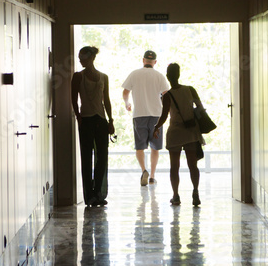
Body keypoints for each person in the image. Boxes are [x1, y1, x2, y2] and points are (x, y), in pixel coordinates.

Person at [152, 63, 205, 206]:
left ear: (168, 76)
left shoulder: (167, 96)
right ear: (179, 74)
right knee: (193, 165)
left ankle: (176, 196)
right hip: (190, 131)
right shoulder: (190, 90)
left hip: (175, 133)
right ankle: (195, 192)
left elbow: (164, 116)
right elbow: (200, 108)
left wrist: (156, 127)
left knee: (174, 167)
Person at [71, 46, 114, 206]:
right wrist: (78, 116)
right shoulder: (78, 76)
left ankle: (99, 193)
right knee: (86, 157)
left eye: (83, 58)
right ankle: (89, 195)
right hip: (86, 120)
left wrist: (111, 120)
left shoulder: (104, 77)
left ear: (91, 59)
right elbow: (74, 98)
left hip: (101, 119)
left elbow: (106, 100)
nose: (80, 61)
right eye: (79, 58)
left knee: (102, 157)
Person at [121, 50, 170, 187]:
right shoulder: (159, 76)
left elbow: (125, 92)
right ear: (155, 62)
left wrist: (127, 103)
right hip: (157, 115)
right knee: (155, 148)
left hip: (139, 114)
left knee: (140, 147)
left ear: (143, 60)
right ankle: (152, 176)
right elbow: (167, 95)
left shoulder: (134, 74)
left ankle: (144, 170)